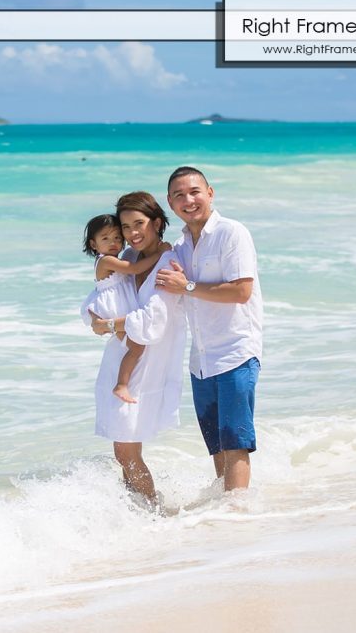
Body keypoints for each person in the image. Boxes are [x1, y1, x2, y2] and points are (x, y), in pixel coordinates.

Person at [155, 166, 263, 492]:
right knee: (216, 446)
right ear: (170, 204)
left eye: (194, 192)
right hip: (200, 361)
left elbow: (241, 291)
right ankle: (222, 519)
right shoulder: (181, 246)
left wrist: (186, 285)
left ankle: (237, 517)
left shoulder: (232, 233)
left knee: (235, 441)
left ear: (210, 193)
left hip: (236, 351)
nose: (188, 200)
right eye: (179, 196)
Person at [81, 192, 187, 507]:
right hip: (122, 356)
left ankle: (153, 509)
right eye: (125, 226)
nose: (131, 233)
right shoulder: (128, 256)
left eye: (138, 224)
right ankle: (140, 515)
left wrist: (111, 325)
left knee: (126, 451)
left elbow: (153, 321)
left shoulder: (168, 262)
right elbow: (98, 294)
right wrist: (94, 319)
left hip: (144, 363)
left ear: (156, 222)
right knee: (124, 451)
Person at [82, 213, 170, 404]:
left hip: (116, 306)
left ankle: (122, 384)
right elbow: (135, 269)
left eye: (117, 238)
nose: (113, 242)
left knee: (135, 347)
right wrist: (159, 254)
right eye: (105, 238)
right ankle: (121, 385)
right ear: (93, 244)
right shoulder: (105, 260)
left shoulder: (114, 258)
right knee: (136, 347)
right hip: (112, 309)